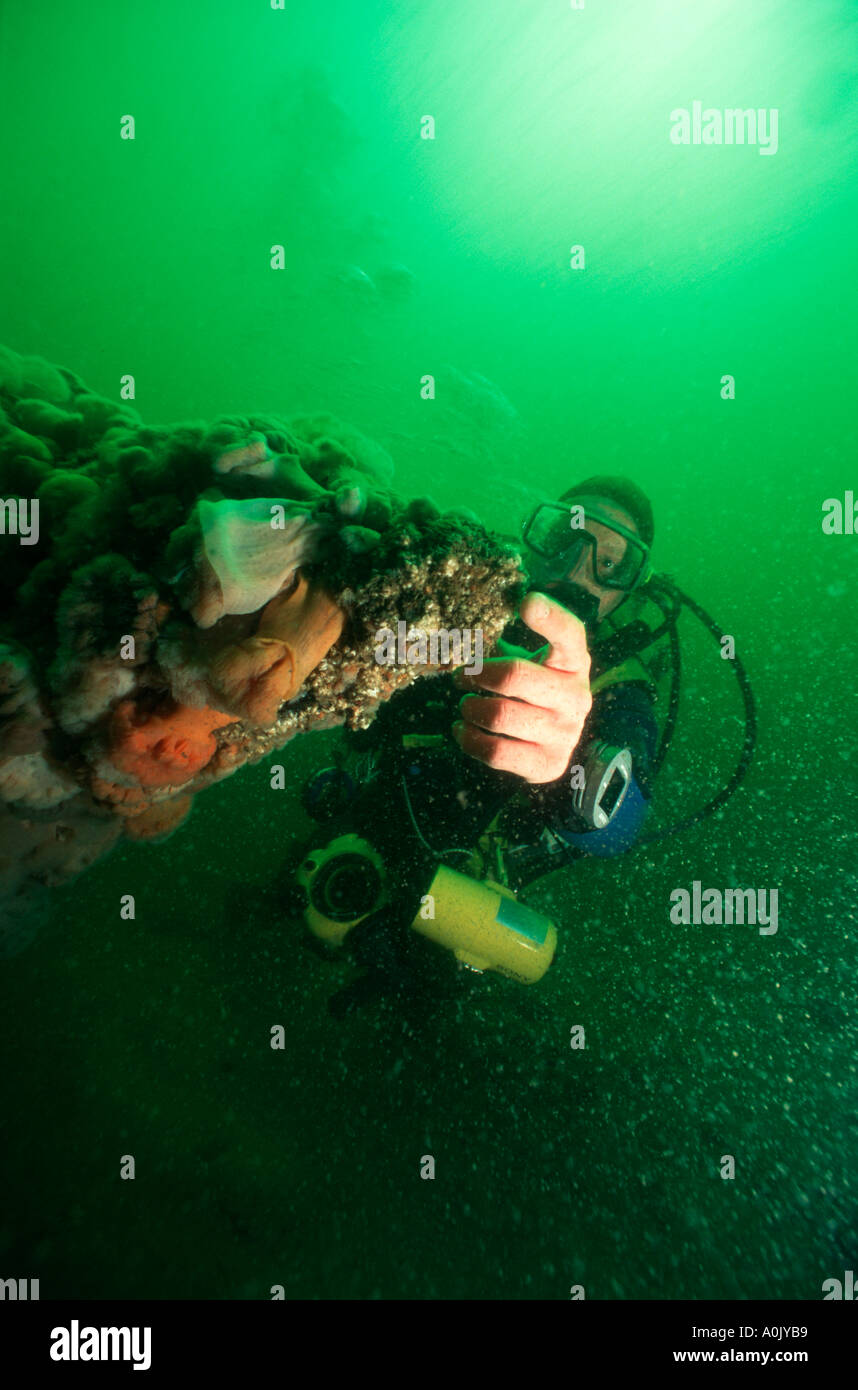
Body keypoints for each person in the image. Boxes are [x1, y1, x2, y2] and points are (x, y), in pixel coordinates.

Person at [292, 475, 668, 1013]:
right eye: (568, 535)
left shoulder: (621, 689)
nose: (580, 567)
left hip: (456, 896)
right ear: (535, 536)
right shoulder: (461, 600)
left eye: (612, 562)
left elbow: (621, 827)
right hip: (358, 823)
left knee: (418, 998)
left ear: (634, 585)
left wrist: (572, 772)